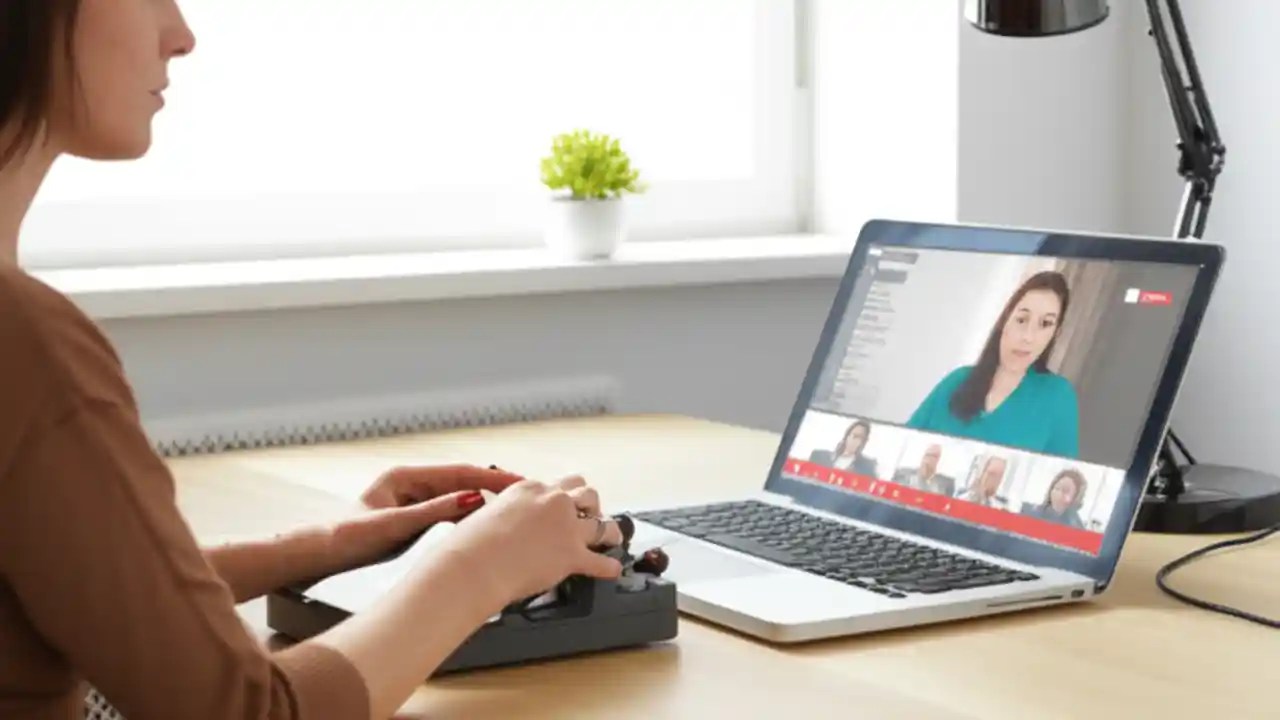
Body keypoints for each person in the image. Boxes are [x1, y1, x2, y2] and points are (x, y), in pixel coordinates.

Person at [0, 3, 625, 719]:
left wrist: (330, 544)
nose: (181, 35)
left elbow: (74, 585)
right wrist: (481, 569)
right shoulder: (24, 341)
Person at [906, 271, 1080, 459]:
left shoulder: (1057, 397)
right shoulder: (957, 380)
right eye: (1022, 320)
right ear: (1005, 320)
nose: (1028, 337)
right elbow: (902, 443)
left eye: (1045, 324)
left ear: (1055, 333)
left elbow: (1061, 473)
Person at [809, 419, 878, 477]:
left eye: (861, 439)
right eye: (855, 436)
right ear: (847, 436)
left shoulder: (866, 469)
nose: (857, 442)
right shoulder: (818, 456)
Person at [1022, 468, 1088, 528]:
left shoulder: (1076, 527)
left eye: (1065, 490)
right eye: (1057, 488)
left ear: (1075, 499)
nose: (1059, 493)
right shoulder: (1030, 511)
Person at [891, 443, 956, 497]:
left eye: (934, 456)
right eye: (928, 455)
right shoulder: (902, 474)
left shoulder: (947, 484)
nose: (928, 459)